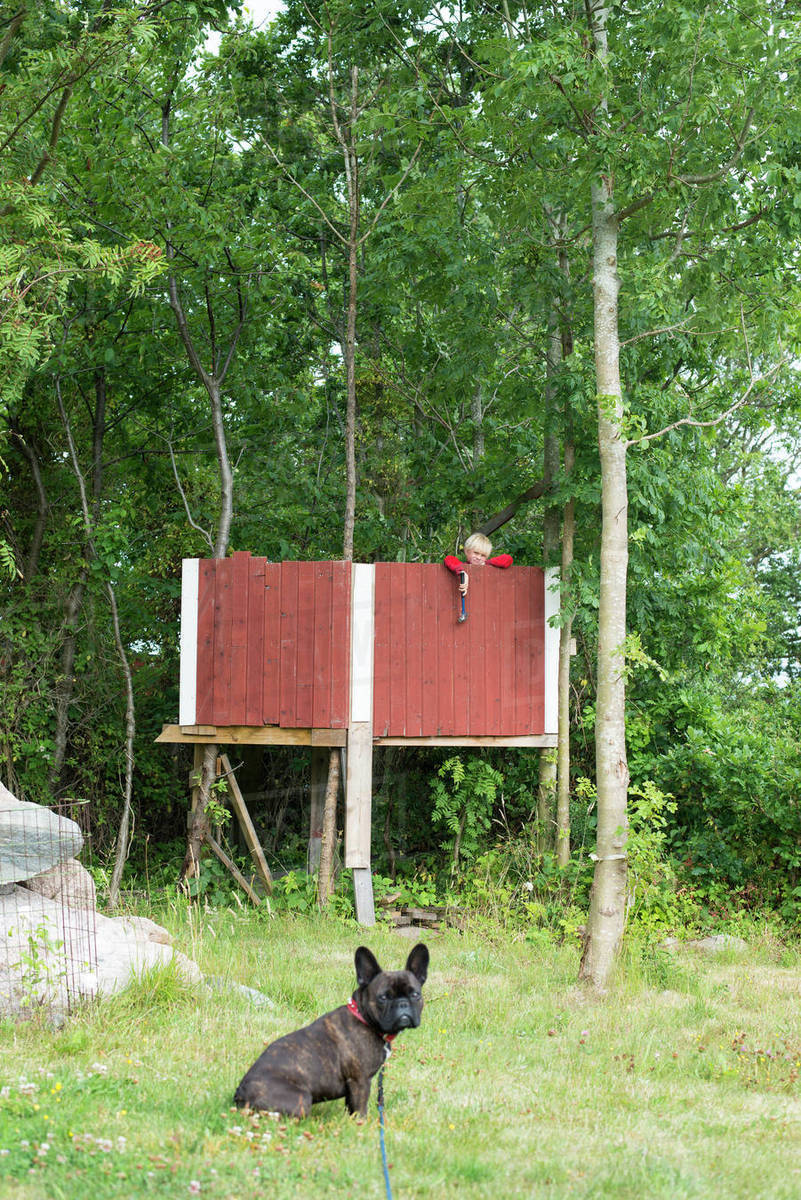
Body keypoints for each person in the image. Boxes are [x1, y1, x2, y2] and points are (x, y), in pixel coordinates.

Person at [444, 532, 513, 595]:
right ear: (467, 551)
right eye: (476, 553)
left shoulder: (486, 564)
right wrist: (462, 572)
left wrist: (487, 562)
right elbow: (449, 558)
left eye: (483, 555)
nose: (479, 558)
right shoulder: (461, 565)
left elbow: (508, 559)